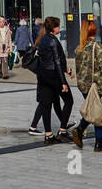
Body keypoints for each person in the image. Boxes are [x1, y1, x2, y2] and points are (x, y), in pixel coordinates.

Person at [71, 20, 102, 152]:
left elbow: (78, 68)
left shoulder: (79, 48)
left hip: (84, 85)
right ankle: (96, 141)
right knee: (99, 112)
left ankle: (82, 131)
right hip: (96, 84)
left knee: (93, 110)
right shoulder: (97, 47)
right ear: (94, 31)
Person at [32, 17, 74, 146]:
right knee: (69, 100)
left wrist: (67, 70)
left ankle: (48, 134)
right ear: (54, 28)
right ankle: (62, 131)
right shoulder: (54, 41)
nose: (59, 28)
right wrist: (63, 82)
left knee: (46, 105)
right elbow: (57, 61)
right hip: (54, 77)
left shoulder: (43, 39)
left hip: (44, 76)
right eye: (58, 26)